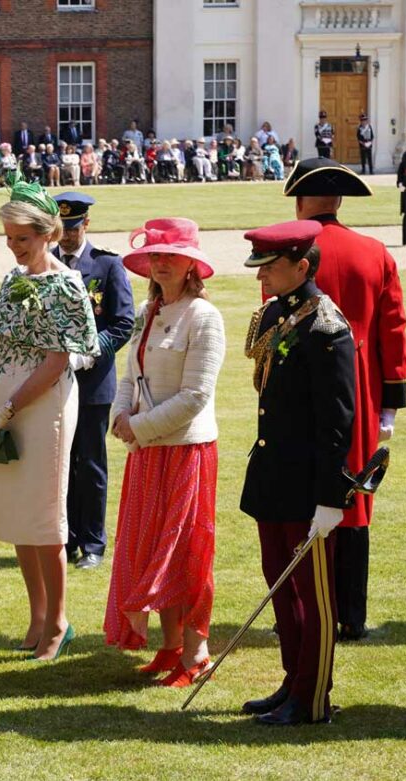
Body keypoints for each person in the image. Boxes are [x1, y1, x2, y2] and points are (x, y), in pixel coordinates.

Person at [0, 174, 98, 661]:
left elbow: (59, 359)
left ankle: (59, 620)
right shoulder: (12, 280)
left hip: (44, 405)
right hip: (7, 402)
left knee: (45, 517)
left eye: (21, 239)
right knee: (17, 515)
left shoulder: (67, 283)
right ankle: (37, 614)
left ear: (48, 233)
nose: (14, 248)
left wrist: (7, 408)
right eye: (9, 240)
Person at [286, 157, 406, 640]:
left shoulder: (291, 248)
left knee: (301, 494)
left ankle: (303, 611)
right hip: (359, 386)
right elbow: (392, 332)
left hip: (299, 388)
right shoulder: (374, 251)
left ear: (300, 200)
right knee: (353, 498)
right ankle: (350, 614)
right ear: (339, 201)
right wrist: (389, 406)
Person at [239, 219, 355, 725]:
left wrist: (331, 497)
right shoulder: (276, 315)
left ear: (302, 266)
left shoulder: (326, 326)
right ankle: (293, 681)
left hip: (310, 485)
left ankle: (312, 698)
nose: (261, 277)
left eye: (271, 268)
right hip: (275, 477)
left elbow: (337, 419)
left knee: (315, 596)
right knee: (281, 589)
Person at [104, 218, 224, 686]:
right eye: (155, 255)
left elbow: (195, 396)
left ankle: (197, 654)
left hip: (186, 450)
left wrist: (138, 427)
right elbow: (130, 373)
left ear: (192, 262)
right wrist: (120, 416)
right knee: (153, 548)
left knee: (187, 554)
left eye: (171, 255)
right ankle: (170, 646)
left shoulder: (204, 316)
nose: (161, 264)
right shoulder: (148, 311)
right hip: (147, 451)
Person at [52, 193, 134, 570]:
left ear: (86, 224)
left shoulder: (106, 265)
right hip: (53, 382)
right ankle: (65, 538)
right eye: (61, 228)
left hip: (92, 382)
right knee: (59, 463)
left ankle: (94, 542)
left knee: (90, 463)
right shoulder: (47, 264)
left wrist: (91, 349)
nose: (66, 236)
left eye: (73, 228)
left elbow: (123, 322)